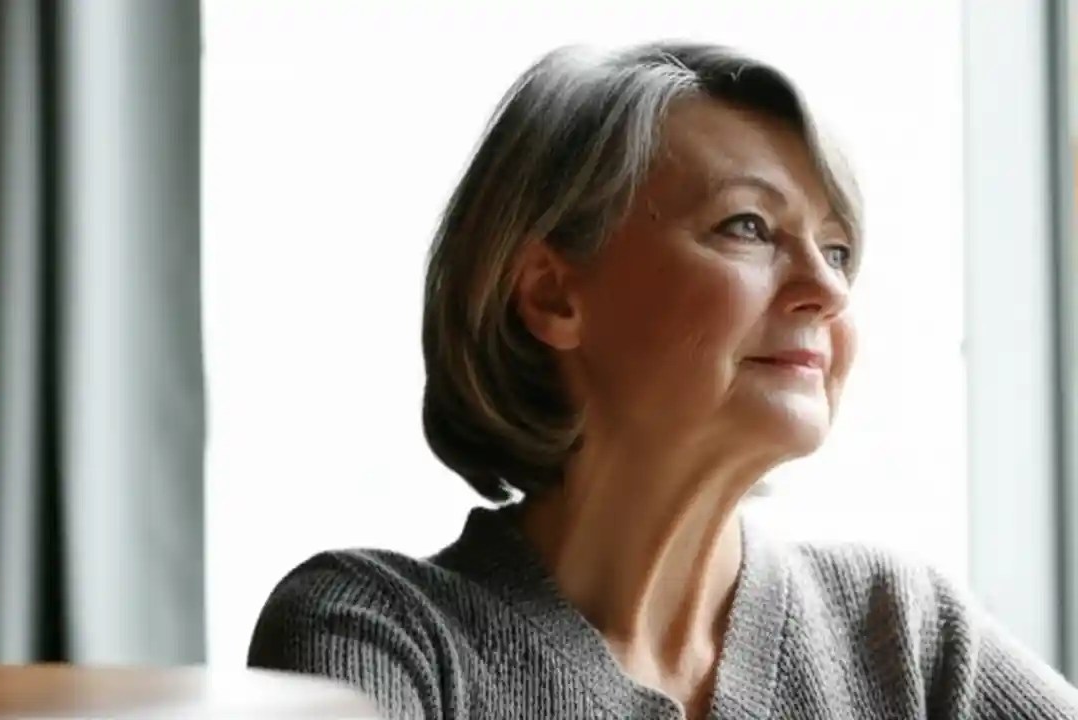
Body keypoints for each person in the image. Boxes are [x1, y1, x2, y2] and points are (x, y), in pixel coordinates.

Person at [246, 41, 1078, 719]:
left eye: (836, 250)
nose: (827, 291)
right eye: (748, 226)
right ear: (552, 294)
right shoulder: (374, 633)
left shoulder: (902, 631)